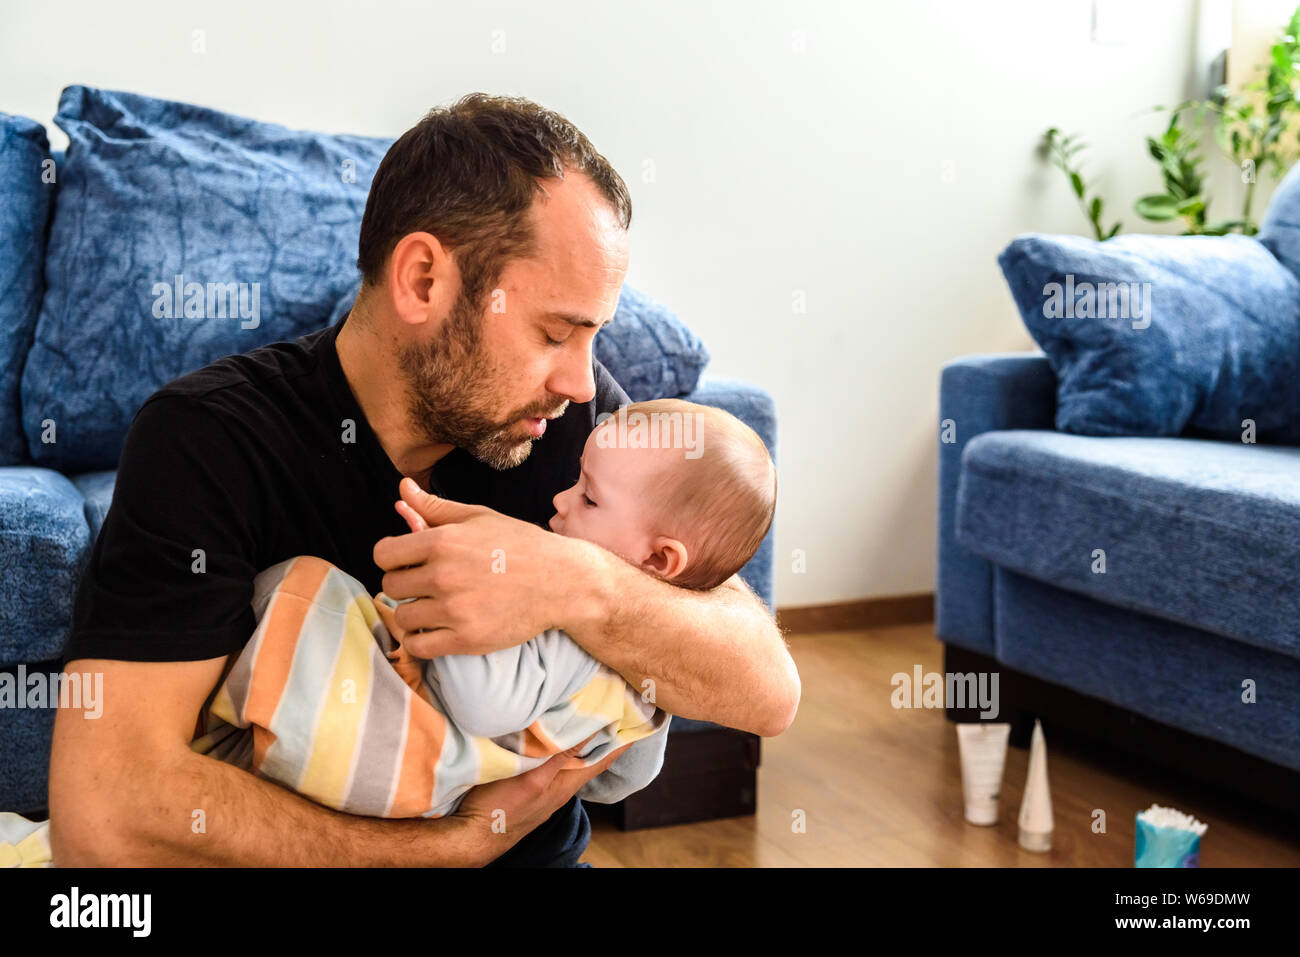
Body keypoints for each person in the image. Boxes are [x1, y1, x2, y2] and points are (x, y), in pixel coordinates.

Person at [48, 93, 799, 867]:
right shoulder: (209, 442)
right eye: (553, 332)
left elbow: (767, 692)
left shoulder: (574, 429)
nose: (583, 380)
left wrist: (573, 581)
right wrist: (447, 849)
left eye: (591, 336)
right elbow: (105, 810)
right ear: (422, 280)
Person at [200, 398, 776, 823]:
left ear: (660, 558)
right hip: (427, 796)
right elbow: (628, 775)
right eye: (577, 482)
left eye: (588, 497)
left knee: (300, 586)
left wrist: (432, 590)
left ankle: (226, 719)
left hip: (389, 767)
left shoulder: (568, 625)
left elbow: (482, 705)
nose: (560, 498)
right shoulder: (650, 680)